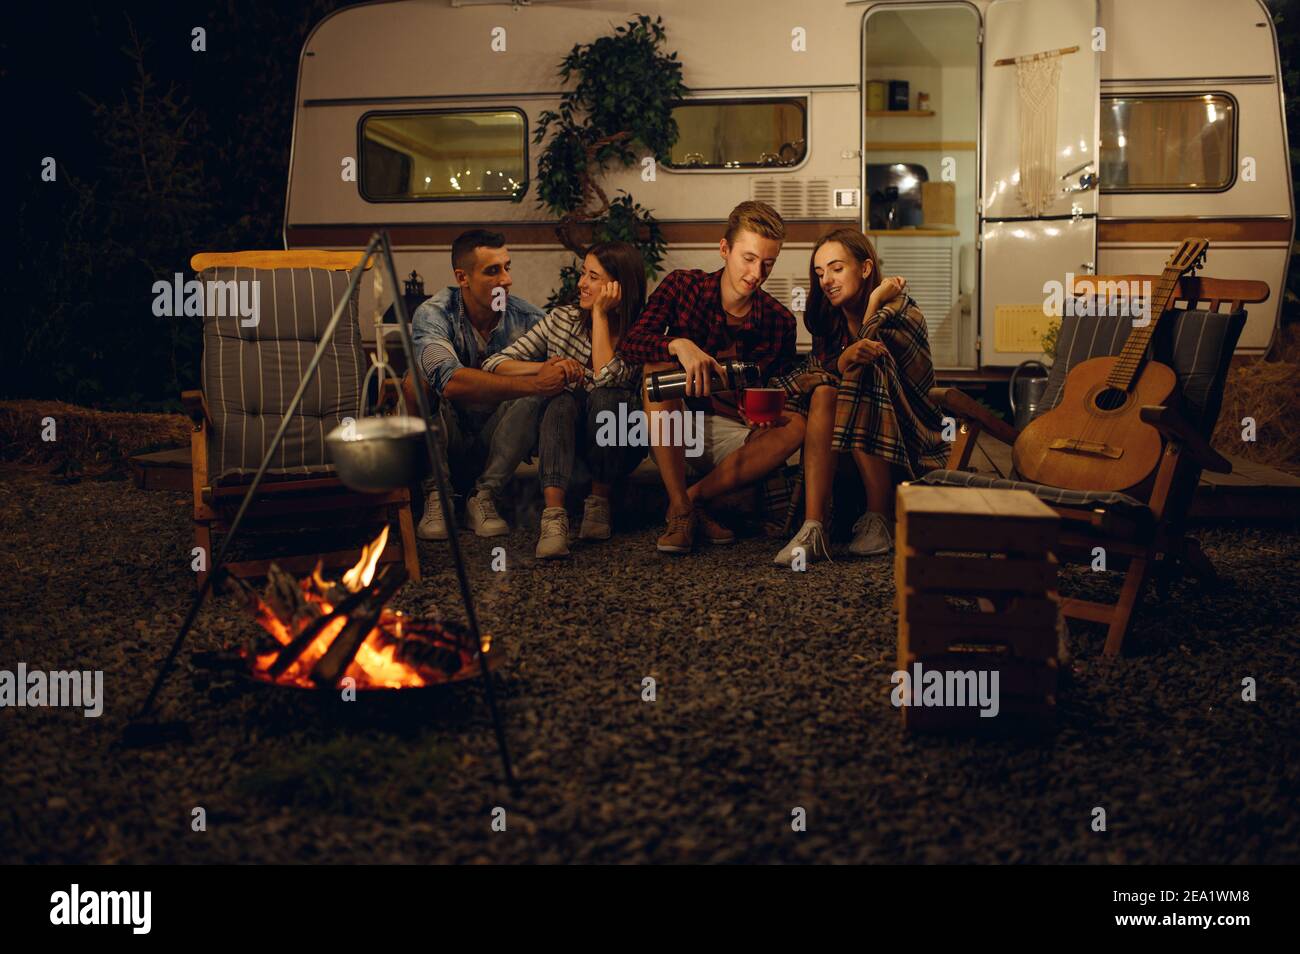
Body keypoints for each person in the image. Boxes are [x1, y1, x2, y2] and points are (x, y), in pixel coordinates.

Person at [617, 201, 801, 554]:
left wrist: (767, 411)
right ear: (724, 249)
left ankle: (685, 503)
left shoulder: (779, 321)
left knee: (796, 425)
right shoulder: (683, 286)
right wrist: (678, 344)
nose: (757, 272)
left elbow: (779, 386)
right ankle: (685, 512)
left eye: (768, 263)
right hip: (675, 426)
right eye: (748, 258)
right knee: (657, 367)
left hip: (738, 436)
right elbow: (630, 345)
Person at [771, 228, 948, 565]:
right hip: (845, 445)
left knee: (863, 370)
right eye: (820, 272)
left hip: (907, 440)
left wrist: (874, 301)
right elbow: (820, 370)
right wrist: (839, 362)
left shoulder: (902, 313)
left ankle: (879, 516)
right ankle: (814, 529)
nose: (826, 280)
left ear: (865, 268)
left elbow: (869, 355)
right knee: (823, 391)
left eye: (837, 269)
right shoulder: (830, 320)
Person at [483, 241, 648, 559]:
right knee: (560, 400)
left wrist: (599, 315)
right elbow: (494, 363)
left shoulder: (641, 332)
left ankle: (599, 505)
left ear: (618, 287)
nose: (582, 284)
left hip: (619, 446)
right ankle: (554, 519)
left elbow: (606, 378)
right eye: (583, 274)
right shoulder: (563, 320)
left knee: (606, 397)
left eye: (593, 277)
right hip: (564, 446)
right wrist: (546, 367)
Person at [406, 229, 568, 540]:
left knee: (541, 390)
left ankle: (483, 498)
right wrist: (536, 383)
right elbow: (450, 381)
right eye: (492, 271)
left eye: (508, 267)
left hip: (497, 443)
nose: (506, 279)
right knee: (416, 382)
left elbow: (561, 371)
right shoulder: (435, 313)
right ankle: (437, 495)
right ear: (462, 277)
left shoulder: (529, 318)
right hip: (446, 440)